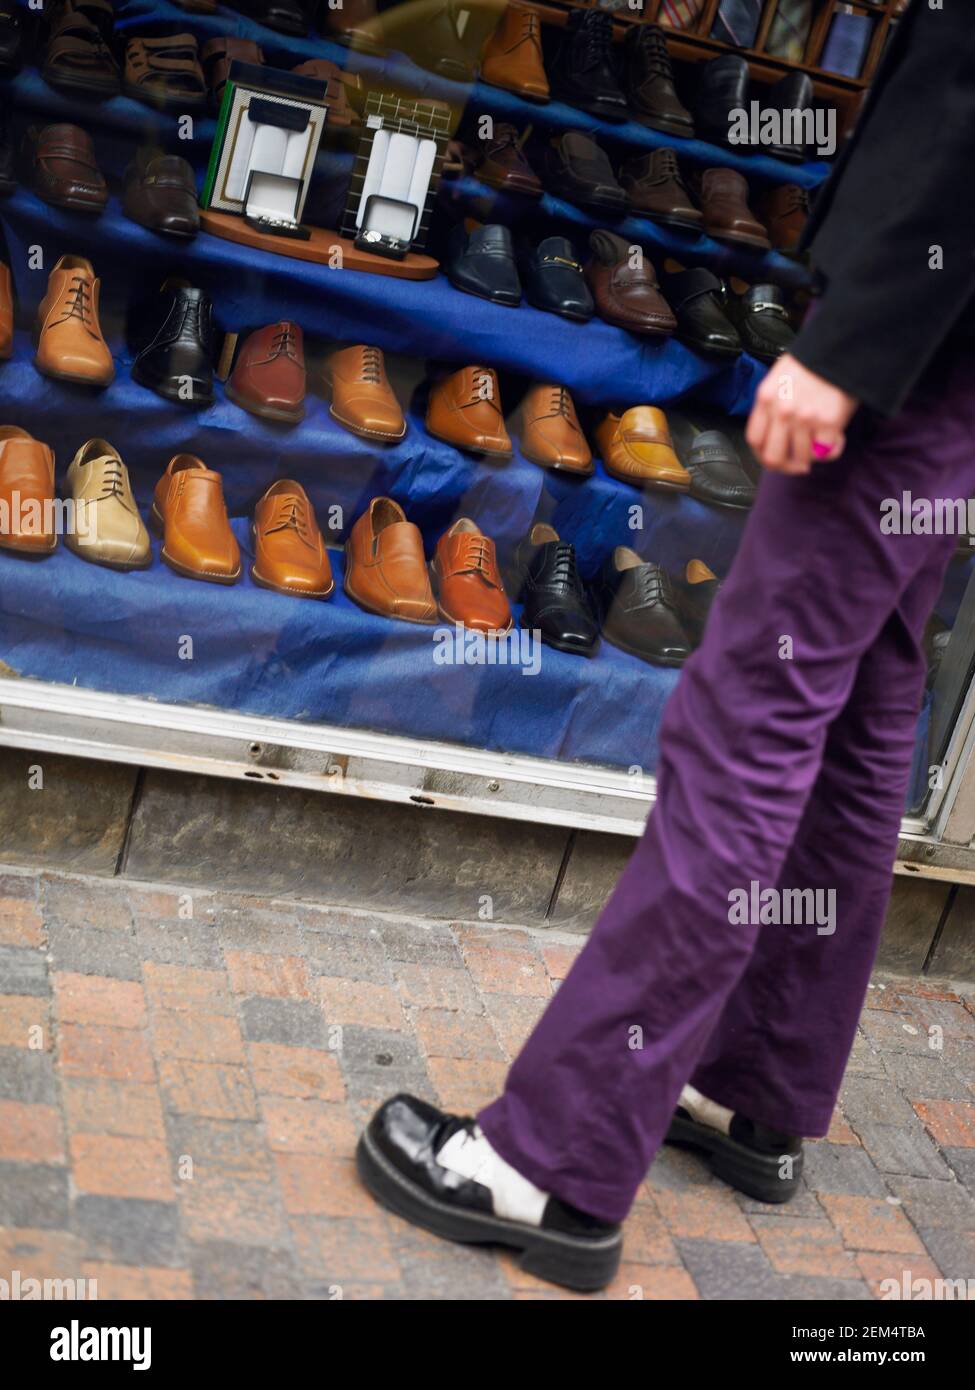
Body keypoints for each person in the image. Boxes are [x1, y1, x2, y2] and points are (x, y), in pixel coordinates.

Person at [356, 0, 975, 1291]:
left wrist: (853, 345)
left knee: (745, 729)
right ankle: (761, 1084)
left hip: (921, 351)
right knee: (863, 710)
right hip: (957, 369)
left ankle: (554, 1163)